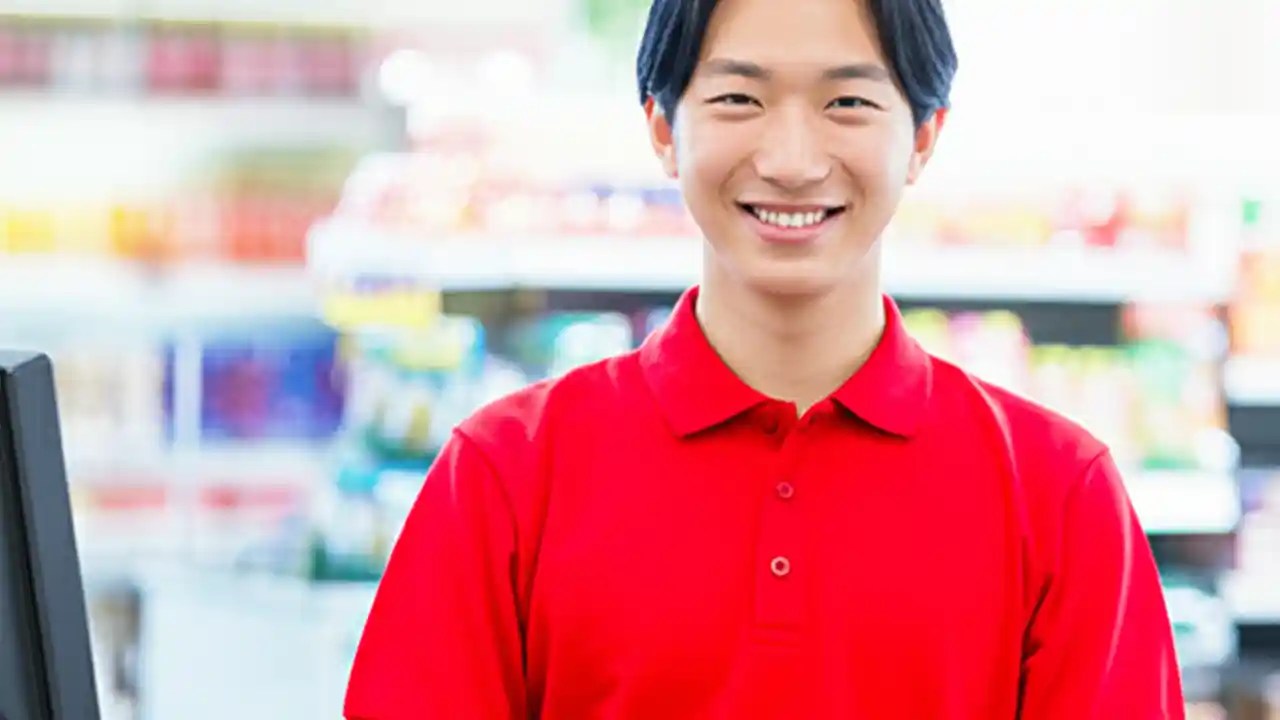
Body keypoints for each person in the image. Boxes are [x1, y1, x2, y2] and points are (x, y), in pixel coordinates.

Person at [344, 0, 1185, 717]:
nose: (790, 162)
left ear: (925, 136)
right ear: (662, 129)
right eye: (739, 97)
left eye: (848, 103)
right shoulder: (504, 477)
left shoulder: (1061, 494)